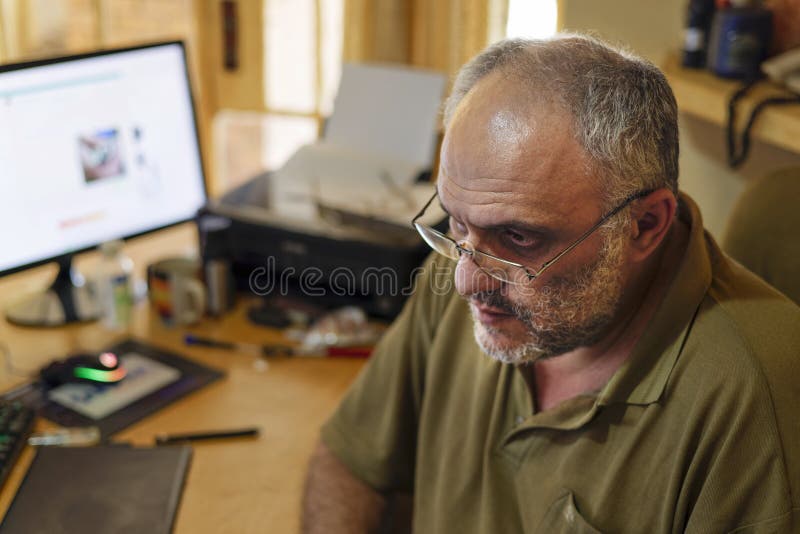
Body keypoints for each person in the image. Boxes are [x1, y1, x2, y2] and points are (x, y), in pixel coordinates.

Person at [302, 34, 800, 533]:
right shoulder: (471, 263)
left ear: (644, 225)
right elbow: (351, 459)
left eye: (518, 237)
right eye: (454, 222)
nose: (464, 280)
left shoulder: (758, 399)